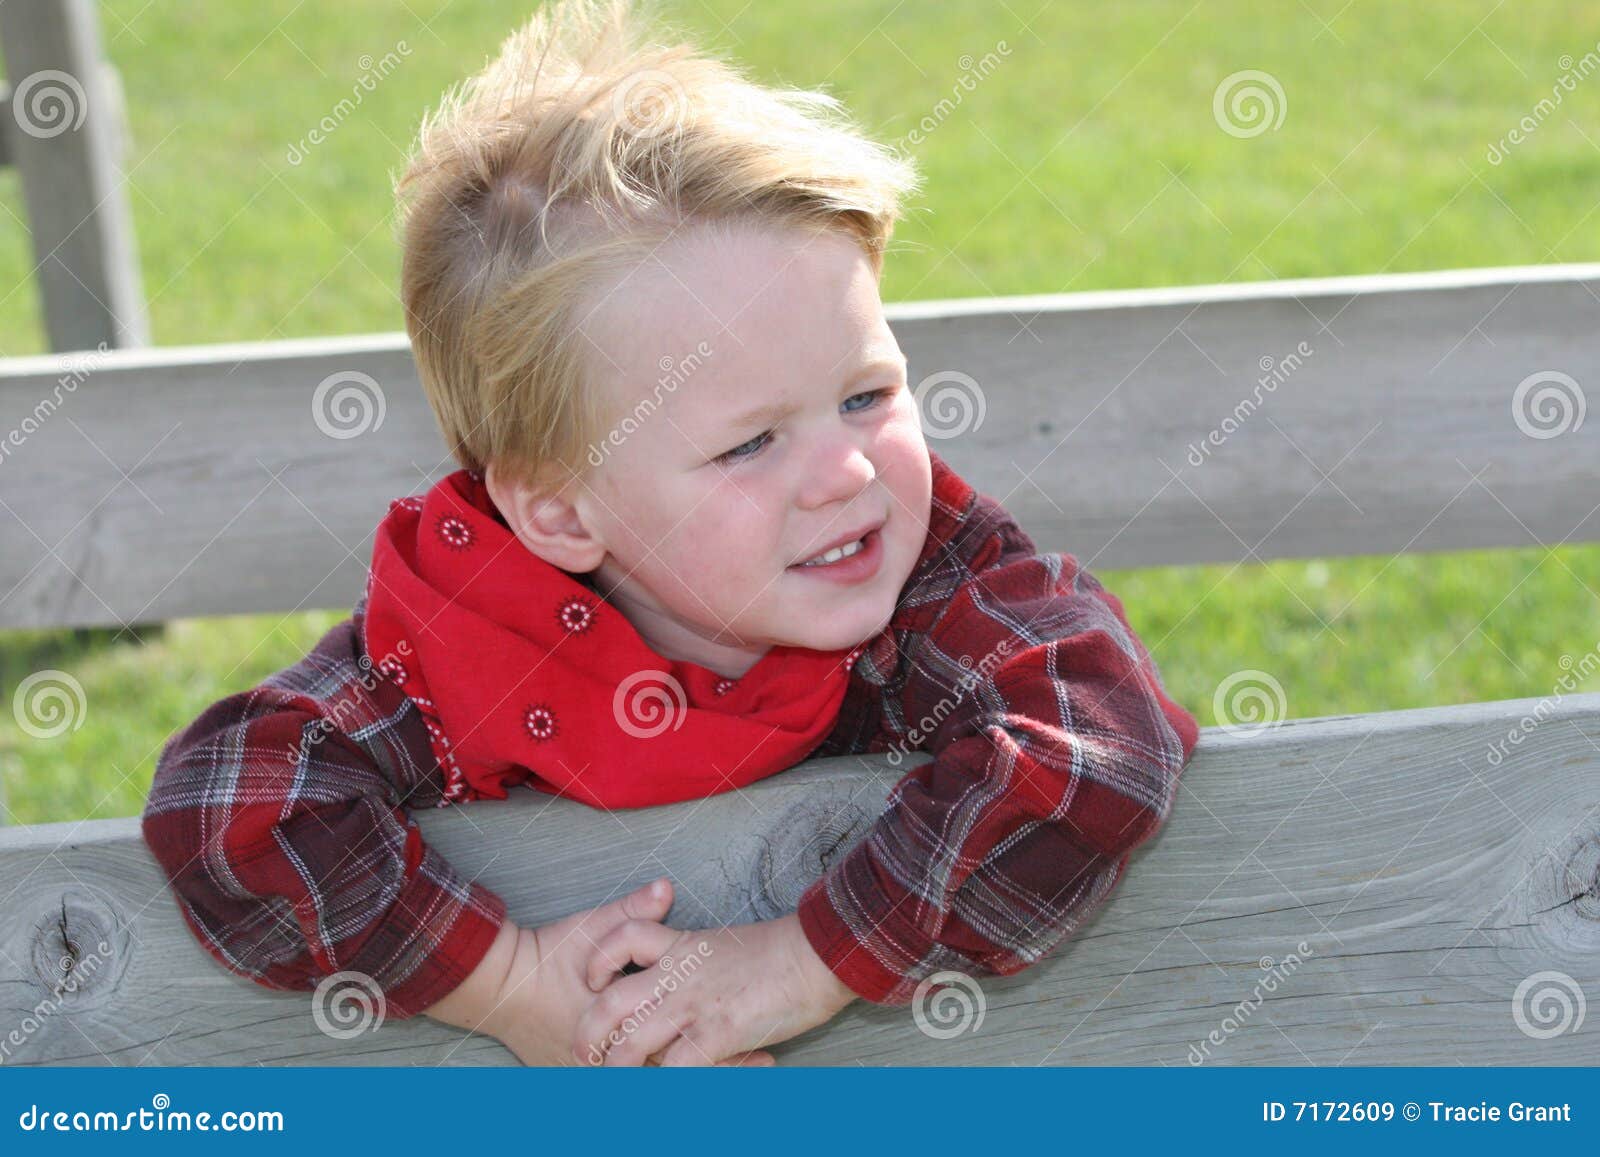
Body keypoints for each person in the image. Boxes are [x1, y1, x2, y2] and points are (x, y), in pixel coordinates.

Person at [141, 0, 1200, 1067]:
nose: (846, 471)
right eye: (749, 444)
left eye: (865, 393)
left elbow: (1090, 735)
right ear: (558, 512)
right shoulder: (461, 653)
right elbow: (230, 802)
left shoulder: (932, 587)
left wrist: (804, 962)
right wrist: (508, 986)